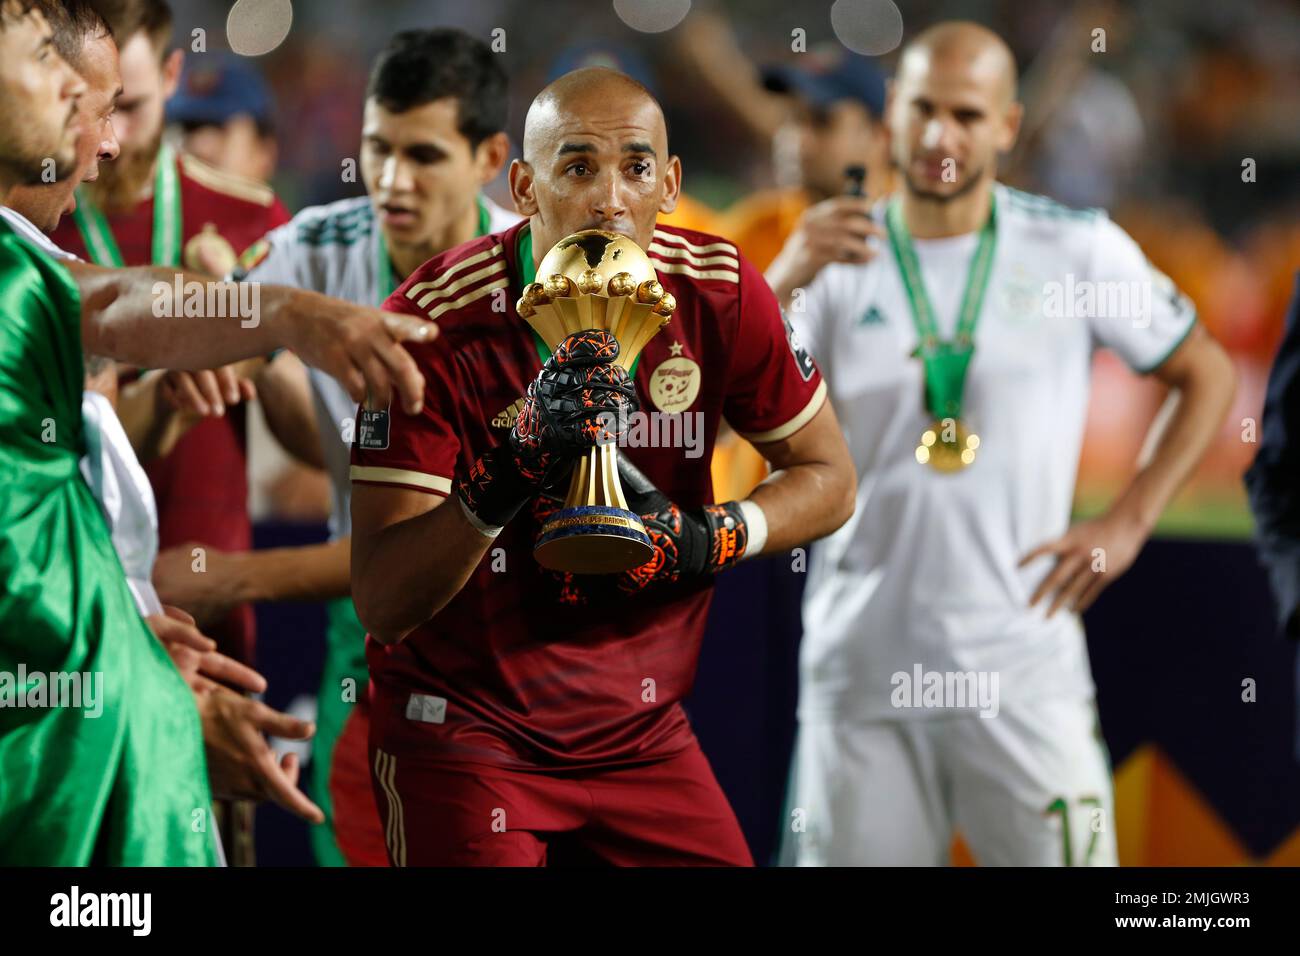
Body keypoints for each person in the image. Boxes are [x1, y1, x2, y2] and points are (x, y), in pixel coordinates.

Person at [348, 66, 856, 866]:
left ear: (670, 184)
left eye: (636, 168)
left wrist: (715, 536)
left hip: (642, 735)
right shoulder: (430, 322)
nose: (610, 198)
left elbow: (829, 476)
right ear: (524, 186)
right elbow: (382, 600)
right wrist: (506, 474)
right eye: (578, 167)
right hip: (468, 733)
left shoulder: (721, 293)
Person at [772, 21, 1237, 867]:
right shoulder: (835, 257)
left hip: (1023, 674)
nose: (941, 135)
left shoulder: (1075, 248)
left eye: (967, 114)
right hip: (861, 673)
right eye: (922, 109)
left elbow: (1206, 373)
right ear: (890, 121)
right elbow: (735, 416)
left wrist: (1130, 520)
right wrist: (779, 283)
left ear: (1008, 126)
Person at [0, 0, 432, 865]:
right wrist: (286, 313)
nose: (111, 142)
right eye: (85, 104)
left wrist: (119, 626)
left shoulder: (33, 259)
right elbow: (115, 303)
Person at [216, 27, 516, 867]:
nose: (391, 180)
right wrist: (216, 342)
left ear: (490, 154)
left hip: (509, 641)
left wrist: (229, 574)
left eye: (422, 154)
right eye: (376, 149)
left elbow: (428, 542)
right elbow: (208, 344)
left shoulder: (536, 281)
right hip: (370, 644)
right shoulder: (314, 248)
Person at [50, 0, 291, 674]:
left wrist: (251, 328)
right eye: (96, 109)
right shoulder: (35, 219)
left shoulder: (250, 213)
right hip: (66, 605)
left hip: (208, 610)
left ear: (173, 70)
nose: (114, 137)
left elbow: (313, 436)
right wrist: (163, 393)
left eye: (132, 104)